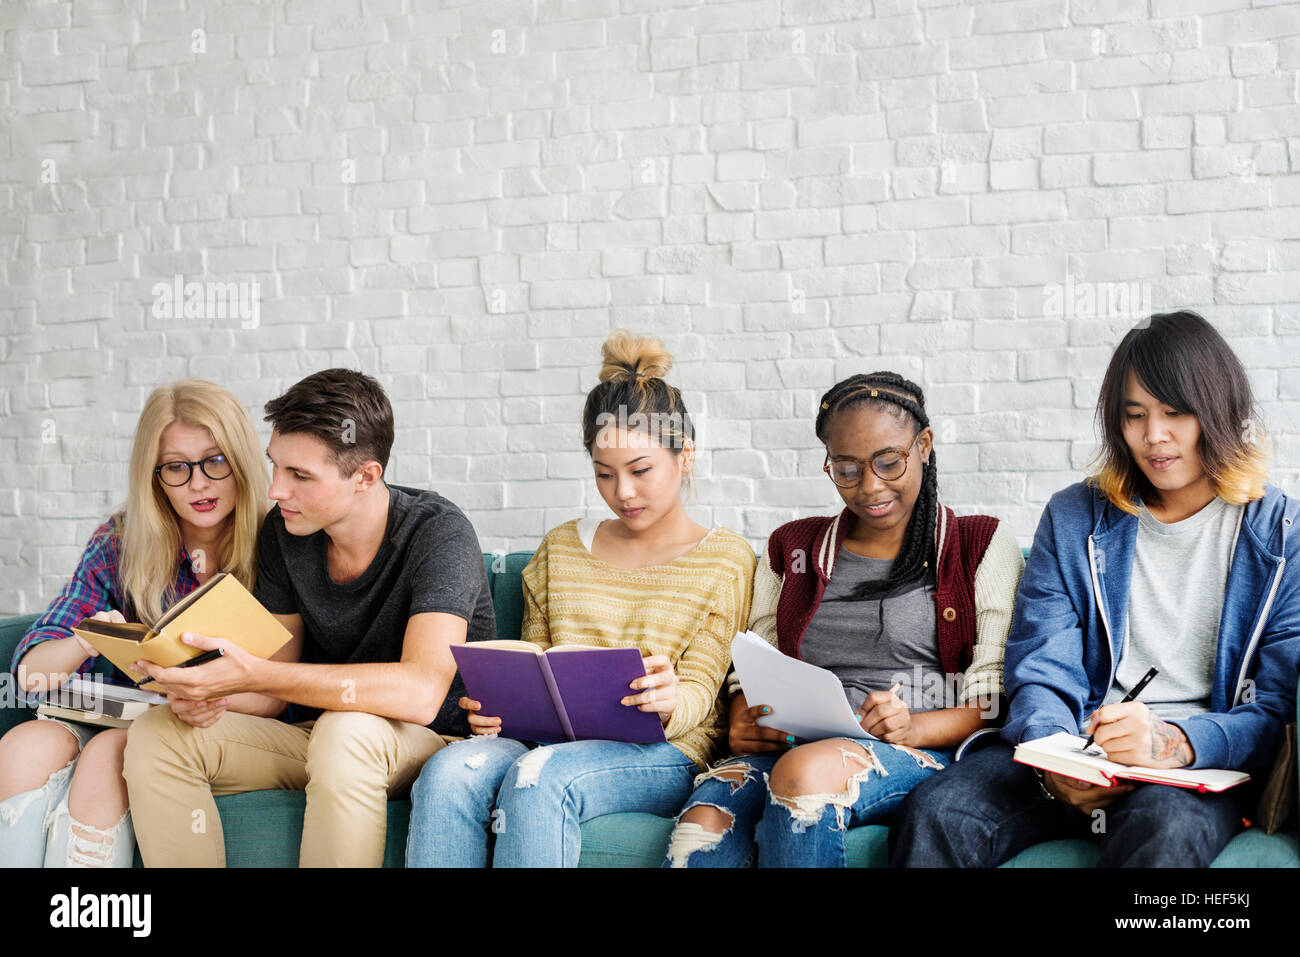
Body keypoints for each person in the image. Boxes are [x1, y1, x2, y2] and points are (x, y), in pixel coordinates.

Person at [892, 311, 1300, 868]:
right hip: (1077, 747)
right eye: (1135, 416)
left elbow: (1275, 707)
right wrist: (1055, 759)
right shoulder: (1074, 518)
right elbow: (1040, 663)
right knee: (939, 811)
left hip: (1192, 766)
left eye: (1174, 413)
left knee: (1166, 831)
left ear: (1218, 410)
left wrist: (1176, 742)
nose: (1153, 436)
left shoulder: (1280, 536)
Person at [405, 331, 756, 868]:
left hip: (664, 751)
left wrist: (668, 702)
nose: (623, 493)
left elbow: (700, 695)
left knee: (540, 779)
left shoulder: (725, 559)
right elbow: (534, 661)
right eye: (603, 474)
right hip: (550, 743)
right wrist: (497, 708)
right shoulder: (562, 549)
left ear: (685, 456)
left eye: (641, 471)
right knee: (451, 772)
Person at [122, 368, 496, 867]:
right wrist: (205, 691)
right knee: (158, 734)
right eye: (276, 466)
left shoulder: (438, 533)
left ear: (365, 476)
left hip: (433, 741)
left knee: (347, 732)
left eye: (300, 476)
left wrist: (258, 673)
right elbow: (273, 690)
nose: (275, 490)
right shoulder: (286, 532)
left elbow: (421, 692)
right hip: (326, 738)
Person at [664, 372, 1025, 867]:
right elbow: (756, 657)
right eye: (847, 469)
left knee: (806, 775)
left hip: (916, 749)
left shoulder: (980, 545)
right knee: (702, 823)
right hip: (794, 742)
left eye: (888, 462)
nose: (870, 487)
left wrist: (911, 727)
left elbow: (993, 703)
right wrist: (745, 712)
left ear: (923, 445)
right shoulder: (791, 547)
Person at [0, 379, 269, 867]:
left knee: (110, 754)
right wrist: (85, 641)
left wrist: (198, 693)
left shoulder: (276, 544)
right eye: (176, 468)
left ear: (240, 460)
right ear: (154, 476)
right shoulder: (120, 543)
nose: (199, 484)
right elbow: (30, 675)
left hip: (220, 729)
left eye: (215, 461)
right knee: (24, 745)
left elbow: (286, 686)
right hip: (118, 714)